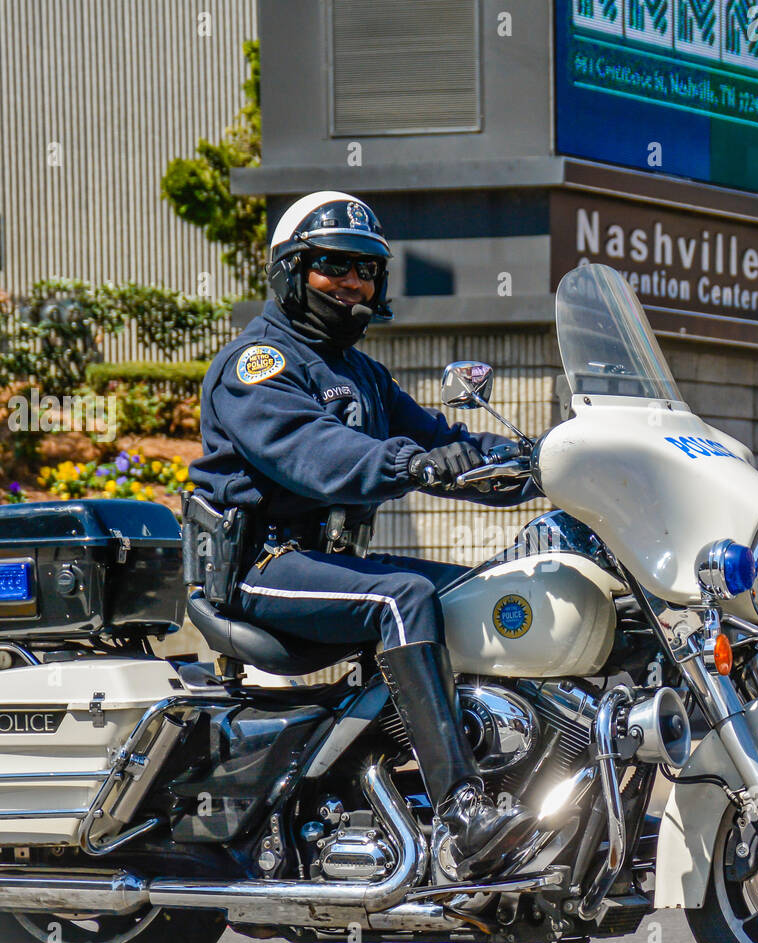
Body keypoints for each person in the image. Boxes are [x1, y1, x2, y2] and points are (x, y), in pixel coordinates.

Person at [189, 191, 539, 878]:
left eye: (366, 271)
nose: (354, 283)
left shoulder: (363, 374)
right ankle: (461, 811)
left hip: (326, 564)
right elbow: (316, 454)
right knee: (401, 597)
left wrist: (542, 462)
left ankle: (507, 775)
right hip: (260, 567)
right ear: (291, 272)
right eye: (333, 266)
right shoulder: (256, 365)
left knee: (487, 592)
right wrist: (409, 462)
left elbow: (447, 441)